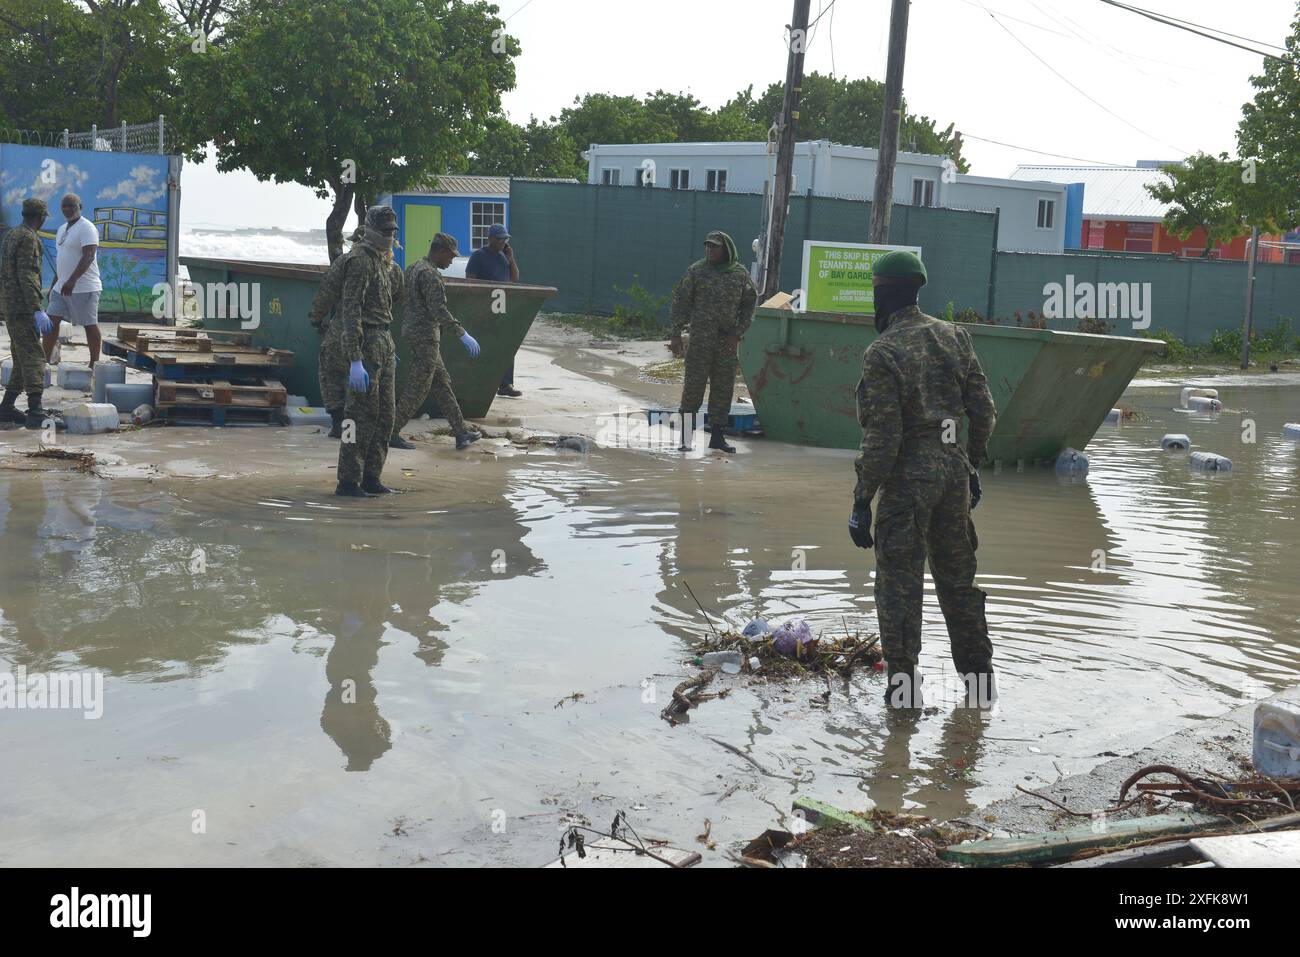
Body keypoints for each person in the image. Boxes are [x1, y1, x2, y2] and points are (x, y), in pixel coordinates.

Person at [846, 250, 997, 710]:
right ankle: (980, 691)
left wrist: (861, 500)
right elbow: (984, 412)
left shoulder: (883, 352)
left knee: (900, 588)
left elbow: (884, 437)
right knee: (959, 584)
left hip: (908, 483)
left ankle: (904, 700)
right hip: (951, 476)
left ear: (884, 292)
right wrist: (968, 462)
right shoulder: (955, 337)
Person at [334, 206, 403, 497]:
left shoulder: (384, 262)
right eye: (385, 230)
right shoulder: (361, 260)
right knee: (359, 417)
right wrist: (355, 360)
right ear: (371, 230)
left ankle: (371, 477)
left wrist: (388, 346)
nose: (389, 235)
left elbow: (389, 305)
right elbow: (351, 311)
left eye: (392, 231)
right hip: (365, 344)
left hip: (383, 343)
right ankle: (348, 481)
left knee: (385, 416)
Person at [391, 232, 481, 451]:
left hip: (415, 332)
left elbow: (403, 298)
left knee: (442, 383)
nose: (451, 260)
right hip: (425, 336)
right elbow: (438, 309)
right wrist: (461, 333)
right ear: (441, 252)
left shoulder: (413, 267)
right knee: (418, 387)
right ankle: (391, 432)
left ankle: (461, 433)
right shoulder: (430, 274)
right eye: (450, 256)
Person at [668, 230, 757, 453]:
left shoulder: (740, 274)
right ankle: (685, 440)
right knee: (693, 389)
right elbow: (680, 301)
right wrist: (676, 333)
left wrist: (738, 332)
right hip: (699, 340)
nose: (709, 250)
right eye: (707, 246)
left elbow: (750, 304)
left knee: (723, 390)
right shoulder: (696, 271)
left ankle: (717, 438)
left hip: (726, 342)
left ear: (726, 249)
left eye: (714, 246)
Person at [0, 198, 56, 429]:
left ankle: (6, 408)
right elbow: (27, 275)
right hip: (23, 307)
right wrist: (37, 309)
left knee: (21, 357)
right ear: (40, 217)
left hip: (11, 305)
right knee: (34, 356)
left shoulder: (13, 234)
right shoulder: (28, 238)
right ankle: (35, 410)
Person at [310, 225, 365, 438]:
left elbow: (326, 295)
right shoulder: (389, 267)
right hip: (374, 334)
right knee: (359, 385)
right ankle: (354, 431)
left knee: (331, 374)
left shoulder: (346, 262)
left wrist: (316, 320)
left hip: (342, 330)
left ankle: (339, 427)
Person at [464, 222, 521, 398]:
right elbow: (470, 281)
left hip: (501, 309)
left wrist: (511, 259)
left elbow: (514, 279)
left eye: (505, 239)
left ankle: (505, 384)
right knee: (482, 346)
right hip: (483, 309)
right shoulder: (479, 256)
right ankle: (475, 383)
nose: (503, 242)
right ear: (490, 239)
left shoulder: (504, 256)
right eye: (500, 239)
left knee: (506, 345)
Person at [44, 193, 102, 365]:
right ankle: (44, 362)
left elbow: (89, 255)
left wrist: (72, 280)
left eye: (72, 206)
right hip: (61, 287)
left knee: (89, 324)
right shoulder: (62, 229)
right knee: (50, 323)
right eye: (64, 206)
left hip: (84, 287)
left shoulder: (87, 228)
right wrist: (55, 284)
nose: (68, 209)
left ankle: (94, 363)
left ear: (80, 207)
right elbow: (62, 260)